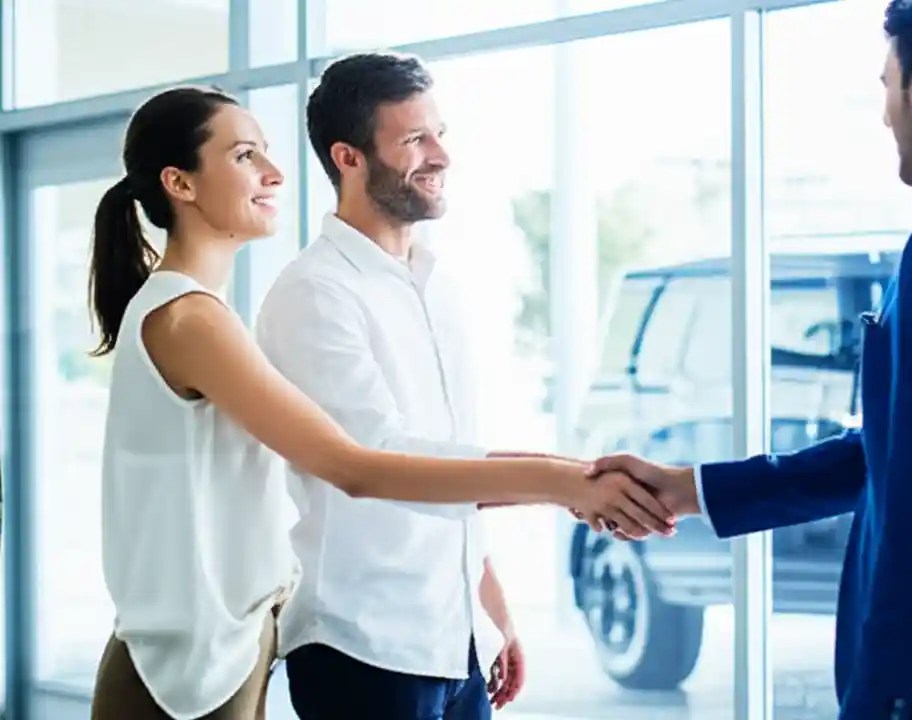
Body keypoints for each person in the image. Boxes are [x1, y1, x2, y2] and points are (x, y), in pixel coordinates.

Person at [588, 1, 912, 718]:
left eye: (886, 82)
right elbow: (911, 451)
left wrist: (878, 701)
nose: (885, 111)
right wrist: (694, 490)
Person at [87, 86, 674, 720]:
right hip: (185, 665)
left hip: (222, 647)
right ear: (181, 183)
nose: (275, 172)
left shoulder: (199, 314)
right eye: (244, 155)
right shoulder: (191, 320)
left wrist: (486, 599)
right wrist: (563, 481)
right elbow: (356, 466)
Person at [253, 51, 536, 719]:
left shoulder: (437, 284)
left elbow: (449, 458)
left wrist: (491, 609)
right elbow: (383, 461)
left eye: (440, 134)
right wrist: (558, 483)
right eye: (414, 139)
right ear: (347, 158)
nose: (441, 155)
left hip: (455, 640)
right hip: (363, 647)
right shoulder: (313, 294)